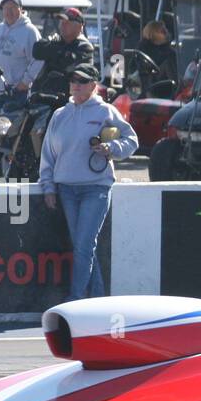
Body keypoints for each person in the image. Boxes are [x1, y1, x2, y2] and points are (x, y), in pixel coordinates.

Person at [39, 64, 138, 301]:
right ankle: (98, 300)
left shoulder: (106, 112)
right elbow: (48, 154)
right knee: (84, 248)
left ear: (93, 86)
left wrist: (111, 148)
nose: (75, 85)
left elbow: (131, 140)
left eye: (82, 81)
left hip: (96, 188)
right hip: (67, 189)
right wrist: (48, 186)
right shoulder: (60, 114)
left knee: (83, 247)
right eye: (73, 80)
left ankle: (75, 301)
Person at [0, 0, 42, 98]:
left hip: (15, 94)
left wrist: (25, 82)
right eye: (6, 8)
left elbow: (38, 59)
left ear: (21, 9)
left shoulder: (30, 31)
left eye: (13, 8)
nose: (9, 12)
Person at [33, 8, 96, 96]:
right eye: (62, 21)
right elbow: (37, 50)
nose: (63, 24)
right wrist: (59, 51)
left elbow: (66, 63)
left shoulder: (85, 47)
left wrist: (54, 51)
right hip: (44, 94)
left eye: (67, 22)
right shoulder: (57, 40)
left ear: (79, 26)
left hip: (66, 99)